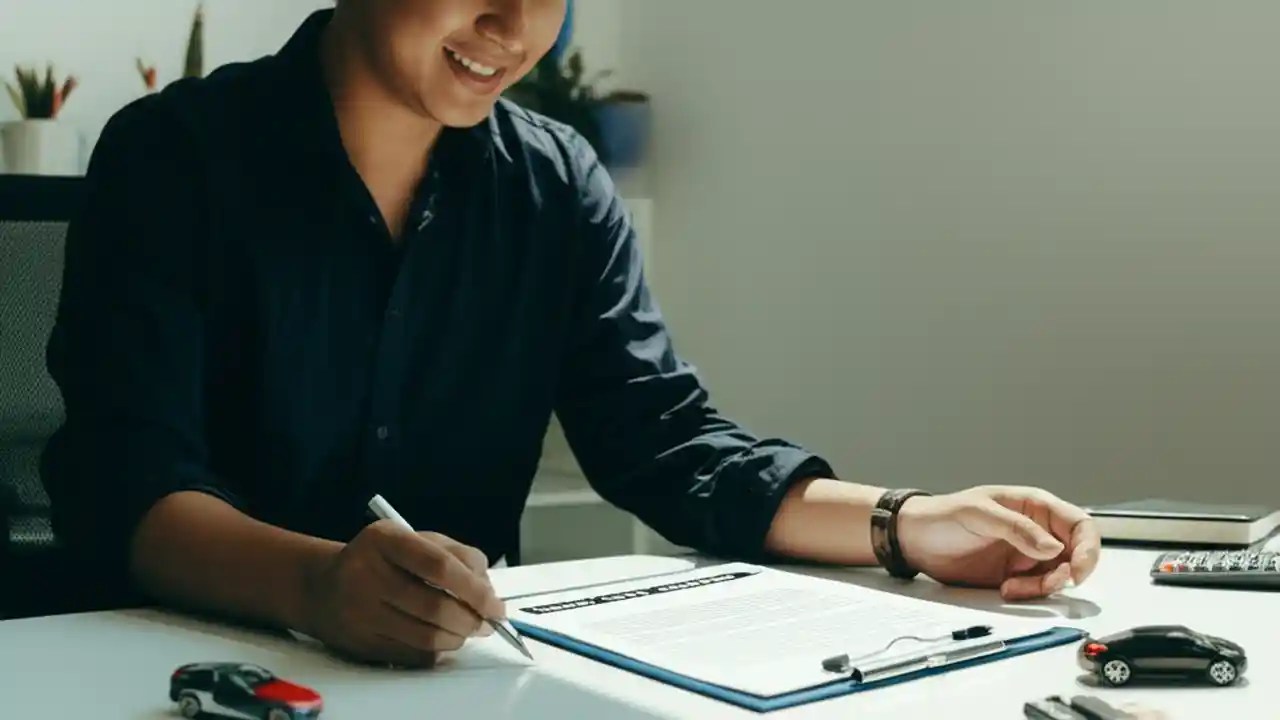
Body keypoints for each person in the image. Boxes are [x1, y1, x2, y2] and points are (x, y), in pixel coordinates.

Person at [42, 0, 1100, 668]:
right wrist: (321, 585)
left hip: (455, 681)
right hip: (174, 671)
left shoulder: (554, 183)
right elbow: (125, 485)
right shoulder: (175, 154)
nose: (513, 24)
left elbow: (664, 443)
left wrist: (906, 525)